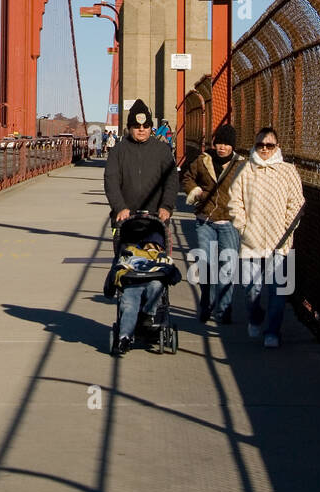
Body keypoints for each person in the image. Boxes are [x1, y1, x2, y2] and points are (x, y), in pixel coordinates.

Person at [103, 99, 179, 354]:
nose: (142, 130)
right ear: (129, 128)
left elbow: (171, 181)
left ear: (151, 127)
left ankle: (148, 318)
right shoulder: (119, 151)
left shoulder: (161, 150)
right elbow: (111, 181)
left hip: (155, 222)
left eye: (146, 126)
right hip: (127, 223)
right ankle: (126, 333)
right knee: (130, 280)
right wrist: (119, 207)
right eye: (137, 127)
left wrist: (167, 207)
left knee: (156, 281)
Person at [227, 126, 304, 348]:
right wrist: (243, 228)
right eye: (260, 145)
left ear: (277, 147)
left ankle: (272, 332)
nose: (264, 149)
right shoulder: (245, 170)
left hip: (280, 243)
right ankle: (255, 317)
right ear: (255, 145)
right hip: (252, 242)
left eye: (269, 145)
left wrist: (287, 230)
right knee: (251, 290)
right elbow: (235, 202)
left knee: (278, 291)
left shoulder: (288, 171)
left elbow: (296, 203)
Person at [181, 123, 244, 325]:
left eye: (226, 144)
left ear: (233, 146)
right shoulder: (202, 161)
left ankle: (224, 308)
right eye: (219, 143)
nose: (222, 147)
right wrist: (193, 190)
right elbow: (187, 178)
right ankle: (206, 301)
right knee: (205, 265)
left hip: (229, 222)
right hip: (205, 220)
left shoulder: (242, 166)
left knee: (227, 266)